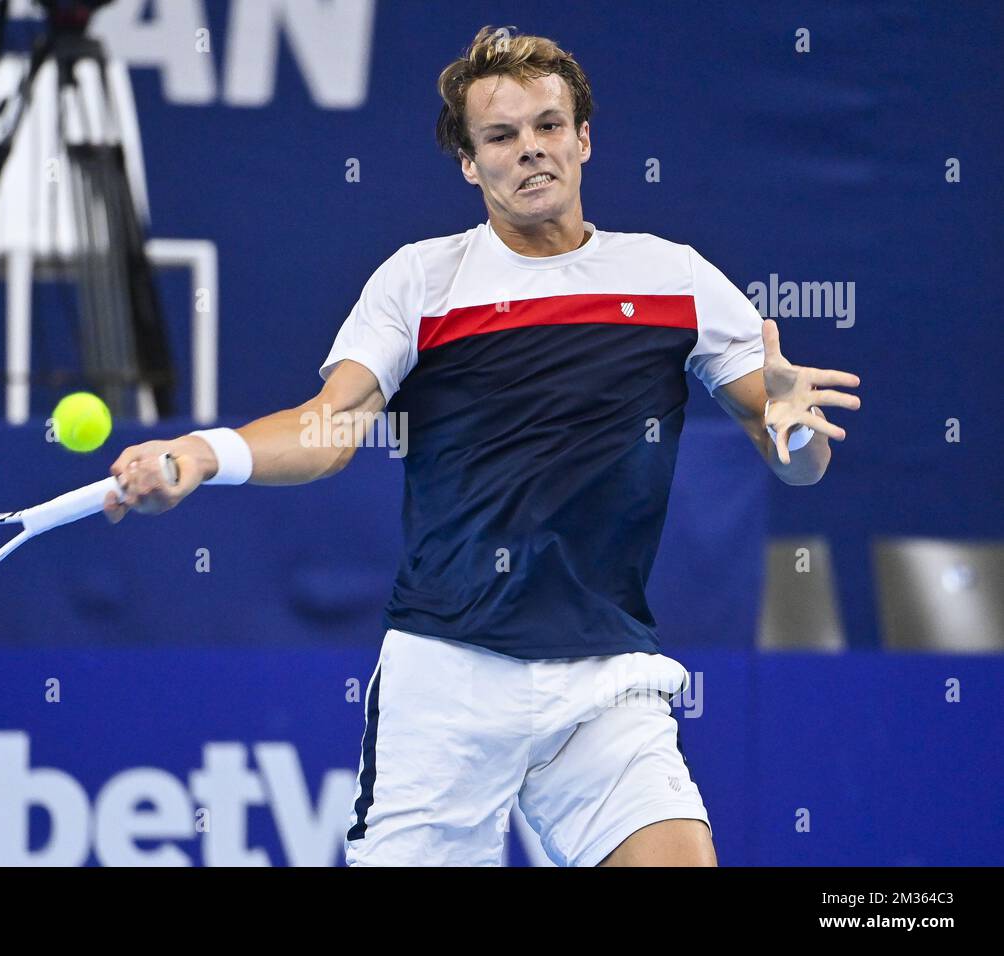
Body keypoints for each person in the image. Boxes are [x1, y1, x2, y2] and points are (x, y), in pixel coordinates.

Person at [103, 25, 861, 867]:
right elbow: (331, 426)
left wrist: (794, 433)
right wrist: (207, 454)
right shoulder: (421, 281)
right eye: (501, 136)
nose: (529, 149)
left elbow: (790, 452)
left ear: (583, 139)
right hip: (448, 677)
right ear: (470, 162)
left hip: (604, 675)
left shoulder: (671, 277)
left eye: (547, 125)